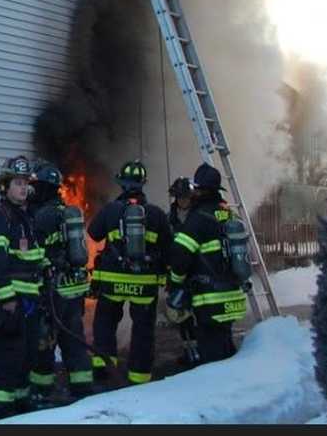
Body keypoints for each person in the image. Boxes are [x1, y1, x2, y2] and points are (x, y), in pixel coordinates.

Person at [87, 160, 172, 386]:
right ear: (143, 184)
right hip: (144, 284)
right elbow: (168, 247)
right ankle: (139, 376)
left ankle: (103, 369)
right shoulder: (156, 214)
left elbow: (93, 234)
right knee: (143, 330)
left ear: (121, 183)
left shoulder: (111, 210)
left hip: (112, 282)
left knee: (105, 325)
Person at [0, 155, 45, 419]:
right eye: (17, 183)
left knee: (26, 352)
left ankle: (20, 398)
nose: (23, 188)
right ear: (4, 186)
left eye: (25, 183)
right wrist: (8, 299)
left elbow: (33, 256)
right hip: (9, 300)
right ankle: (0, 405)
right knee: (7, 353)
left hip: (29, 298)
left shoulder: (25, 217)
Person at [166, 163, 247, 364]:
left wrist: (175, 282)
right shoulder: (229, 213)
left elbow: (181, 254)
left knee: (212, 359)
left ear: (200, 190)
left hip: (210, 299)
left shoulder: (199, 218)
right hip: (232, 296)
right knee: (225, 348)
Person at [26, 161, 93, 405]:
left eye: (35, 185)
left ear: (44, 187)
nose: (32, 190)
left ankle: (42, 388)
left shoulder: (41, 216)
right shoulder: (65, 211)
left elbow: (35, 253)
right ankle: (82, 384)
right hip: (72, 288)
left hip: (51, 288)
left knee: (44, 339)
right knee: (73, 336)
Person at [166, 177, 200, 368]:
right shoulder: (169, 217)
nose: (182, 200)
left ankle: (201, 350)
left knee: (198, 313)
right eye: (179, 197)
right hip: (177, 271)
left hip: (197, 270)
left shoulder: (198, 215)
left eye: (185, 197)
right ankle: (188, 351)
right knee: (181, 315)